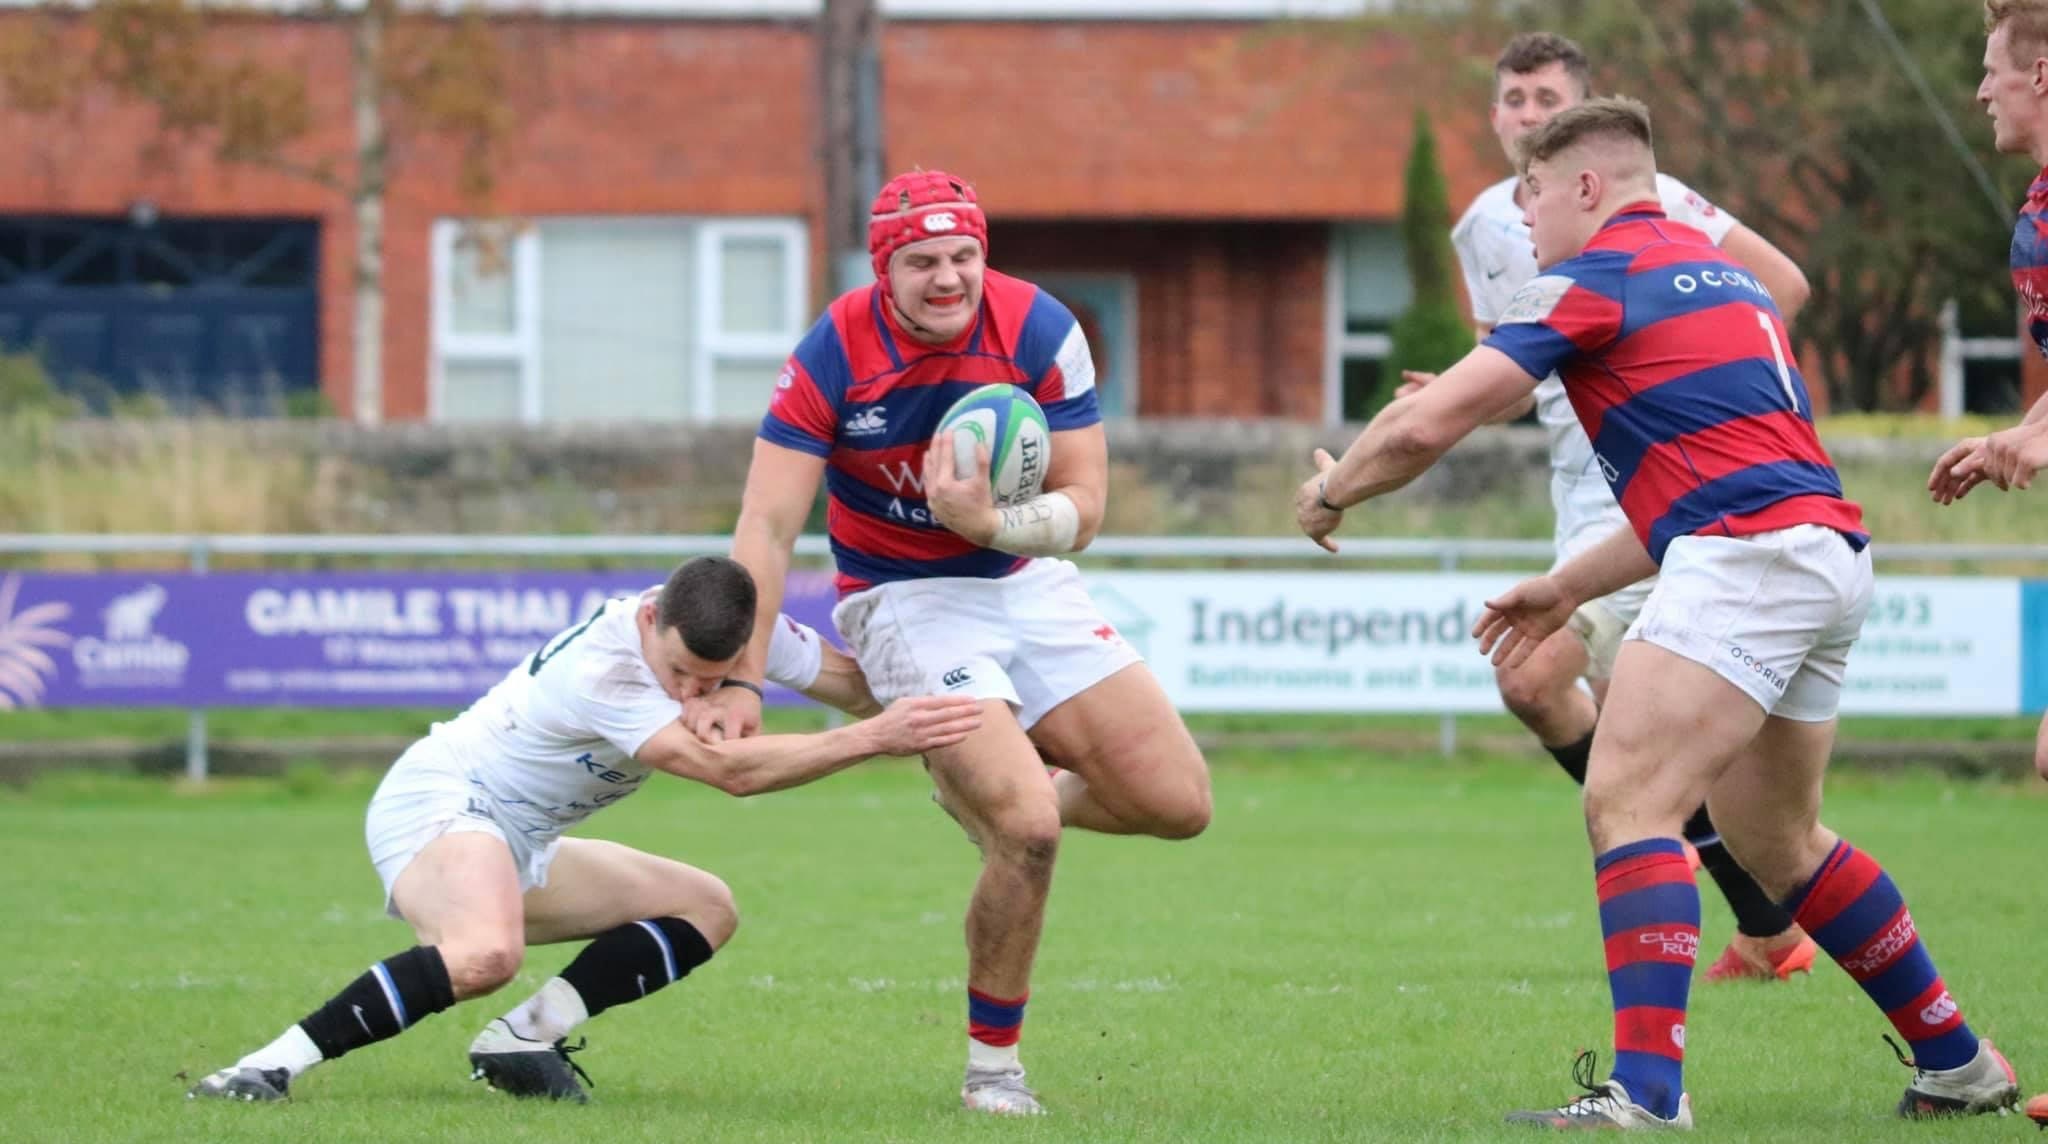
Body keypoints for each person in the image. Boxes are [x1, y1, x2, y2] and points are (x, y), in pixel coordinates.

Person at [1296, 98, 2017, 1129]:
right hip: (1818, 553)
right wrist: (1565, 586)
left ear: (1585, 187)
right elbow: (1706, 478)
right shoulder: (1725, 280)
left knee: (1625, 802)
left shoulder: (1595, 277)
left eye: (1531, 196)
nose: (1524, 223)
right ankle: (1956, 1062)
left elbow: (1426, 422)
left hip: (1748, 559)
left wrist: (1329, 494)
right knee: (1775, 837)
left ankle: (1643, 1094)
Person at [685, 169, 1212, 1116]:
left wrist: (991, 524)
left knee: (1178, 803)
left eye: (964, 256)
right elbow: (765, 530)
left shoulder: (1042, 327)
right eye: (923, 261)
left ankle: (979, 772)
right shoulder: (832, 351)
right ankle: (994, 1073)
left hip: (1024, 574)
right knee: (1028, 829)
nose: (948, 279)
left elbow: (1087, 507)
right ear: (885, 269)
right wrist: (738, 679)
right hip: (906, 596)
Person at [187, 556, 981, 1105]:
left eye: (713, 677)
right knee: (485, 956)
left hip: (524, 838)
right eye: (679, 673)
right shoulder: (606, 667)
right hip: (443, 802)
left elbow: (854, 685)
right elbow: (732, 776)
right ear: (648, 618)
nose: (694, 689)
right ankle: (262, 1068)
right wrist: (878, 739)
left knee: (708, 908)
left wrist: (984, 719)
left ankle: (523, 1039)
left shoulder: (732, 631)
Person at [1400, 31, 1820, 984]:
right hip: (1582, 498)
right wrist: (1449, 399)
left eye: (1546, 98)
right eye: (1512, 100)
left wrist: (1717, 386)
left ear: (1582, 112)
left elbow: (1782, 287)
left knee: (1550, 686)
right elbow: (1515, 380)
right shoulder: (1484, 225)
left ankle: (1695, 885)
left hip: (1665, 488)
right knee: (1543, 685)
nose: (1526, 116)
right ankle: (1755, 914)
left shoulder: (1652, 203)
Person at [1932, 0, 2048, 789]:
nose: (1980, 92)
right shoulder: (2039, 207)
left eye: (1989, 70)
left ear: (2039, 74)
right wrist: (2020, 431)